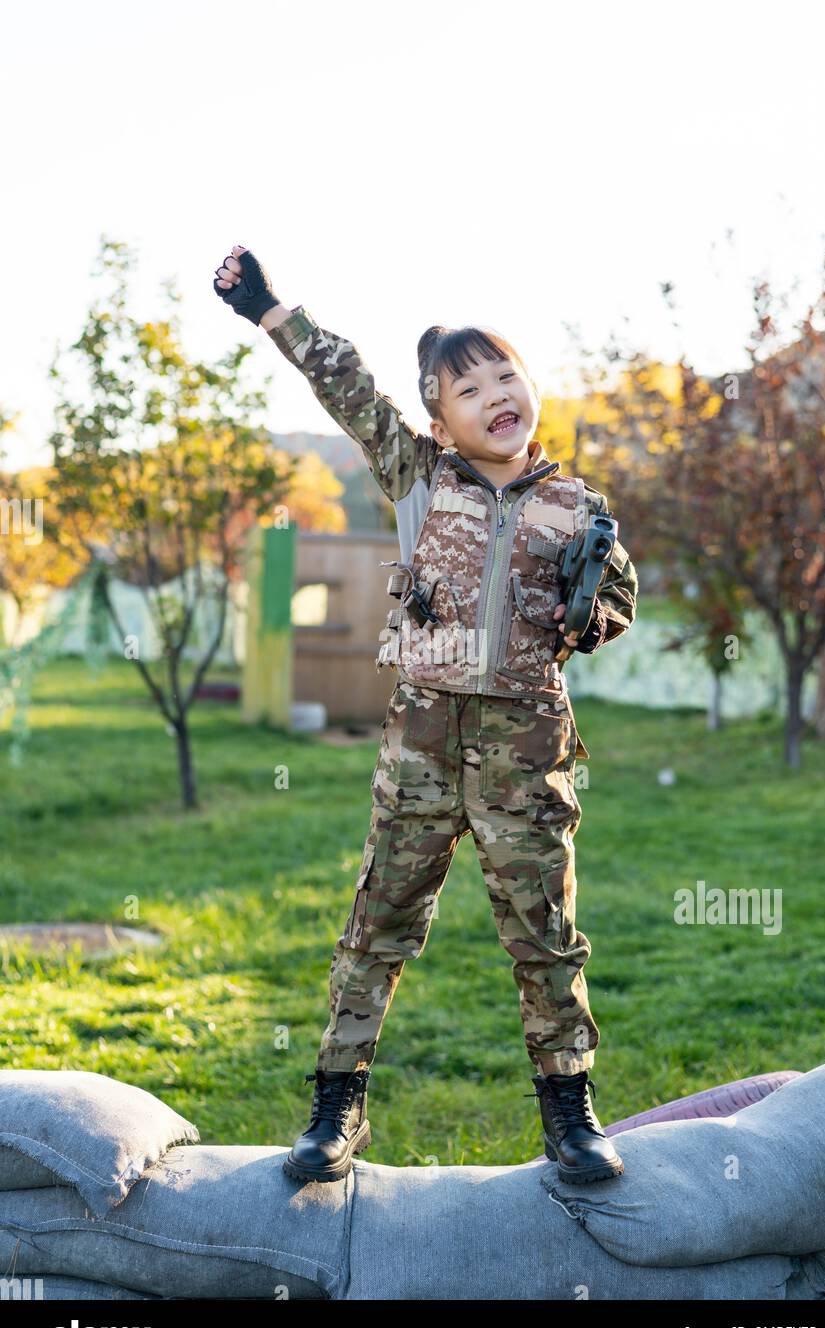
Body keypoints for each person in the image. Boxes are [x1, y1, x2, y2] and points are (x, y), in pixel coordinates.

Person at [213, 246, 638, 1186]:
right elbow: (347, 384)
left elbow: (615, 604)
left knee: (543, 933)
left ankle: (569, 1116)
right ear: (439, 418)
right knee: (381, 919)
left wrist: (592, 608)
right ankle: (337, 1104)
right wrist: (272, 311)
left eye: (505, 375)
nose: (495, 393)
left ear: (530, 390)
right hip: (423, 739)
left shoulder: (575, 502)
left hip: (526, 744)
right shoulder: (417, 475)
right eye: (467, 386)